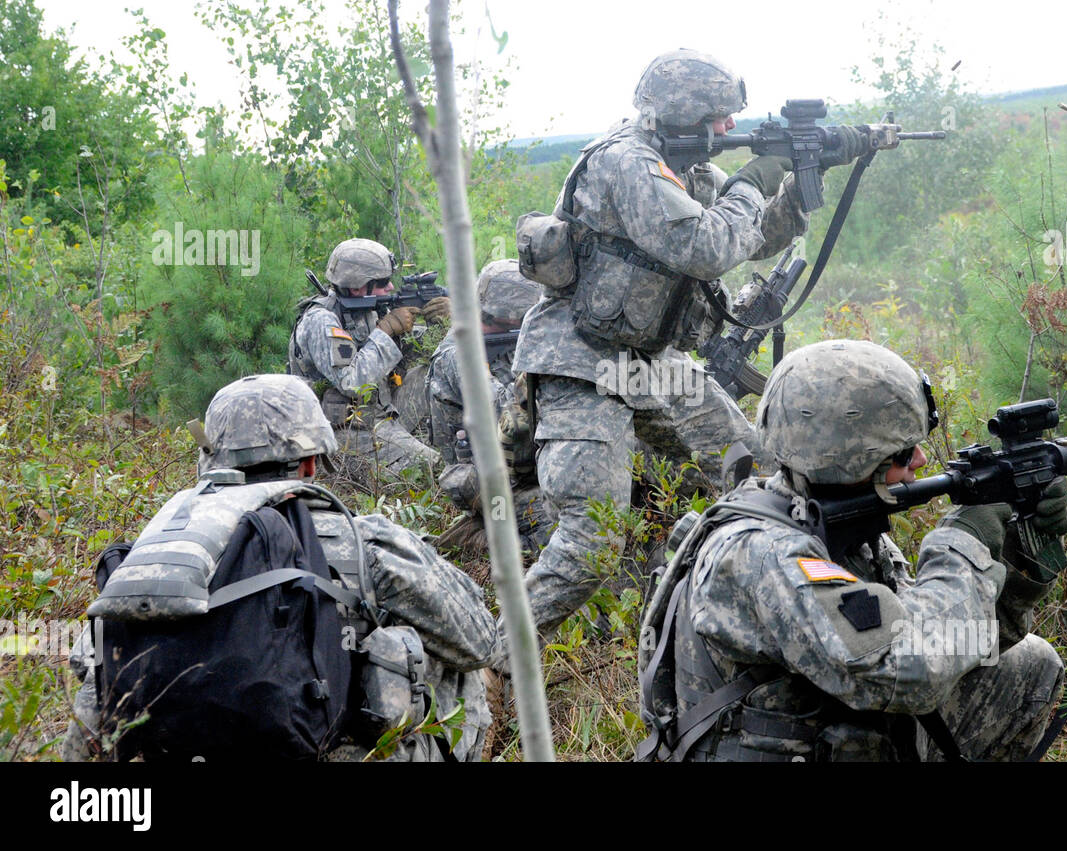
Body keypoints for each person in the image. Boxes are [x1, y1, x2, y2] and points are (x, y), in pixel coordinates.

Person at [510, 48, 861, 639]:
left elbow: (749, 237)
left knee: (759, 473)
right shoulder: (626, 162)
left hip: (649, 363)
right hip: (579, 363)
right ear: (682, 112)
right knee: (588, 547)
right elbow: (706, 247)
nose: (729, 129)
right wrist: (755, 176)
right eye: (719, 116)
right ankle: (484, 651)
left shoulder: (692, 170)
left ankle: (736, 615)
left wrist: (801, 179)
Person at [637, 340, 1067, 762]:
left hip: (836, 726)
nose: (920, 460)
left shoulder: (836, 525)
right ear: (849, 461)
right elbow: (908, 670)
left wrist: (1020, 552)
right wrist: (960, 545)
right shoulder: (766, 555)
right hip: (794, 740)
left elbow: (954, 642)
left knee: (1031, 666)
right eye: (901, 453)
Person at [62, 374, 499, 762]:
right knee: (461, 671)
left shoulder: (167, 552)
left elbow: (88, 668)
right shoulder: (365, 542)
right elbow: (479, 642)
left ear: (211, 463)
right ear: (310, 464)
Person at [288, 238, 447, 483]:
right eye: (383, 282)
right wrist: (386, 331)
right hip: (347, 429)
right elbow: (352, 382)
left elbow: (420, 352)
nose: (391, 286)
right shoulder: (321, 320)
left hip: (381, 410)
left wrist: (443, 324)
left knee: (433, 372)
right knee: (435, 469)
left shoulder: (369, 309)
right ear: (357, 287)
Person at [425, 259, 554, 558]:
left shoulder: (506, 341)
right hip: (484, 481)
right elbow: (505, 414)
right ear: (512, 316)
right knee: (558, 520)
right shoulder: (459, 355)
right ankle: (480, 544)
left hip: (522, 463)